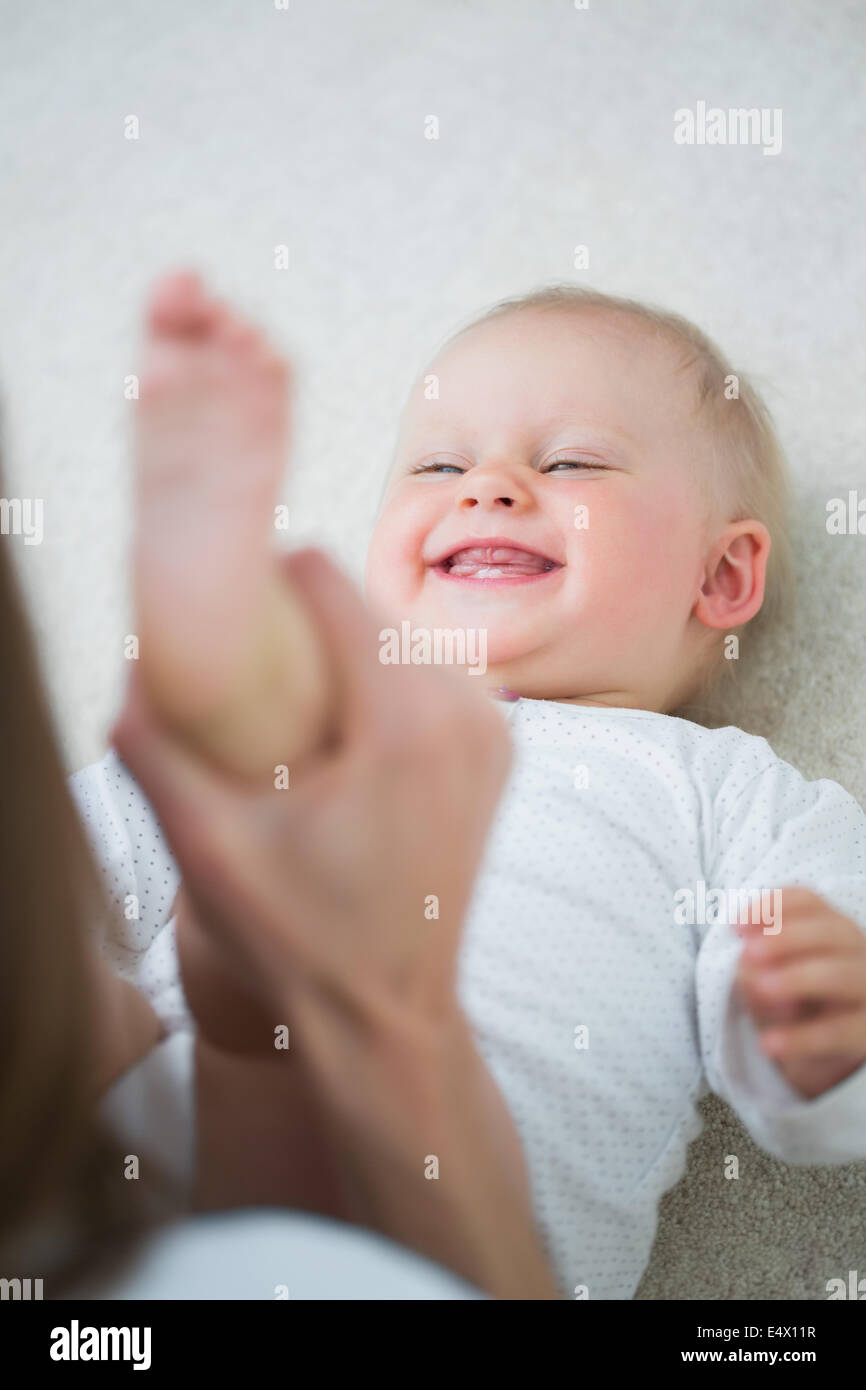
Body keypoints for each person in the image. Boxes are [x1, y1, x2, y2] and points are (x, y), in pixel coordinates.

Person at [80, 273, 866, 1300]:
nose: (485, 486)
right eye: (438, 463)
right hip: (136, 1176)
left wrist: (816, 1033)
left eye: (571, 461)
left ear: (718, 578)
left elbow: (820, 957)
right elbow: (83, 850)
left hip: (450, 1252)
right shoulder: (306, 720)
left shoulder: (720, 785)